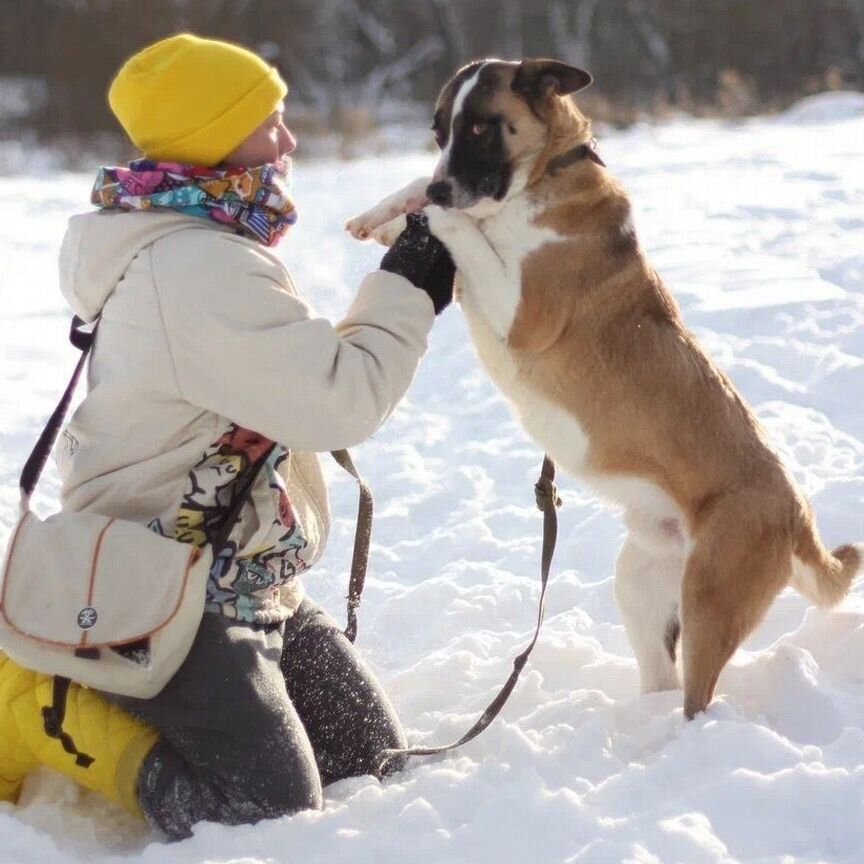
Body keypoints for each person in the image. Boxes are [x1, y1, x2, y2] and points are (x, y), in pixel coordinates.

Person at [0, 33, 453, 839]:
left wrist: (401, 276)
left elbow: (293, 376)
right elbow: (340, 399)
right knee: (265, 816)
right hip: (159, 589)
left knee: (372, 764)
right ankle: (38, 707)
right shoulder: (195, 267)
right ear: (211, 139)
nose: (288, 140)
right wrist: (411, 284)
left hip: (244, 571)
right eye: (267, 120)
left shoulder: (200, 241)